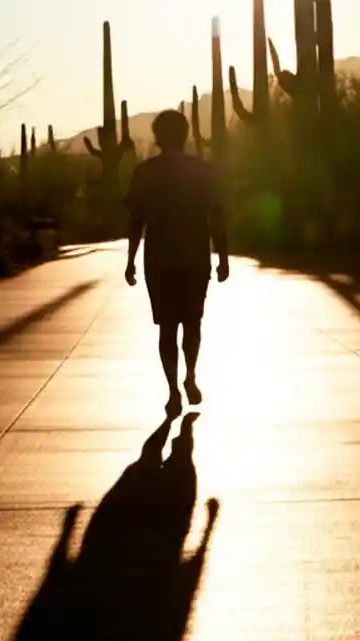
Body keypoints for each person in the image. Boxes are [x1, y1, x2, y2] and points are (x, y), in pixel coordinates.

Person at [126, 110, 230, 416]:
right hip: (195, 258)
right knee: (193, 323)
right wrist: (222, 257)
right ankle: (190, 376)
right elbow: (217, 217)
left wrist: (130, 260)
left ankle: (173, 389)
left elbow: (136, 221)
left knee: (167, 327)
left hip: (159, 260)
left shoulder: (145, 172)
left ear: (158, 137)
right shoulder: (202, 171)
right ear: (185, 135)